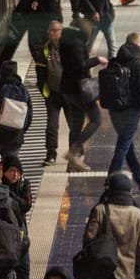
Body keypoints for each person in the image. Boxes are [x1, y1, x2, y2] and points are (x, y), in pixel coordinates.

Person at [106, 32, 140, 191]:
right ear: (138, 45)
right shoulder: (138, 63)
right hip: (131, 109)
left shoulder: (115, 61)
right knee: (123, 145)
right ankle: (110, 181)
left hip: (114, 108)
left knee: (127, 143)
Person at [59, 25, 106, 172]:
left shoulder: (64, 42)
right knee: (96, 119)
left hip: (67, 89)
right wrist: (97, 59)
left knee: (77, 122)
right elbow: (80, 65)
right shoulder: (76, 43)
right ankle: (73, 152)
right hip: (80, 90)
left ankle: (73, 162)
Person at [0, 60, 33, 167]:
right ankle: (7, 184)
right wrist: (20, 131)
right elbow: (29, 116)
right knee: (10, 168)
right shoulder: (23, 90)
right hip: (14, 138)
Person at [1, 155, 33, 279]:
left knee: (24, 266)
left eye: (17, 172)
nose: (15, 175)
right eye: (11, 171)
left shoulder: (23, 184)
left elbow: (25, 206)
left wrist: (10, 195)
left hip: (20, 232)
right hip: (5, 234)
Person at [32, 19, 66, 166]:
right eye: (50, 30)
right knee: (52, 125)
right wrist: (44, 92)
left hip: (68, 94)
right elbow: (40, 73)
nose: (52, 33)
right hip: (52, 94)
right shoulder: (44, 50)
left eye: (55, 30)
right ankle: (51, 154)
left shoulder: (68, 48)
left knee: (74, 124)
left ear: (61, 32)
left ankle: (75, 152)